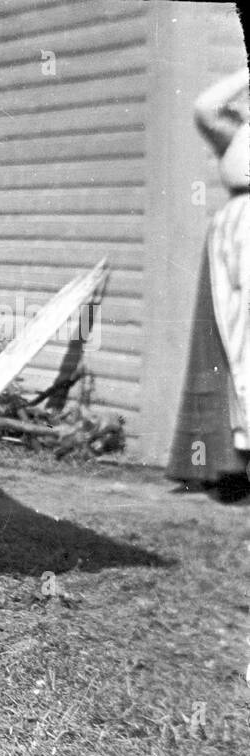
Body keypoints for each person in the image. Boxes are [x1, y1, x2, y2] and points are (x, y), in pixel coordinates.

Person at [167, 68, 250, 502]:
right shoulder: (236, 129)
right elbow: (205, 107)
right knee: (225, 343)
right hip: (238, 232)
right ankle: (217, 465)